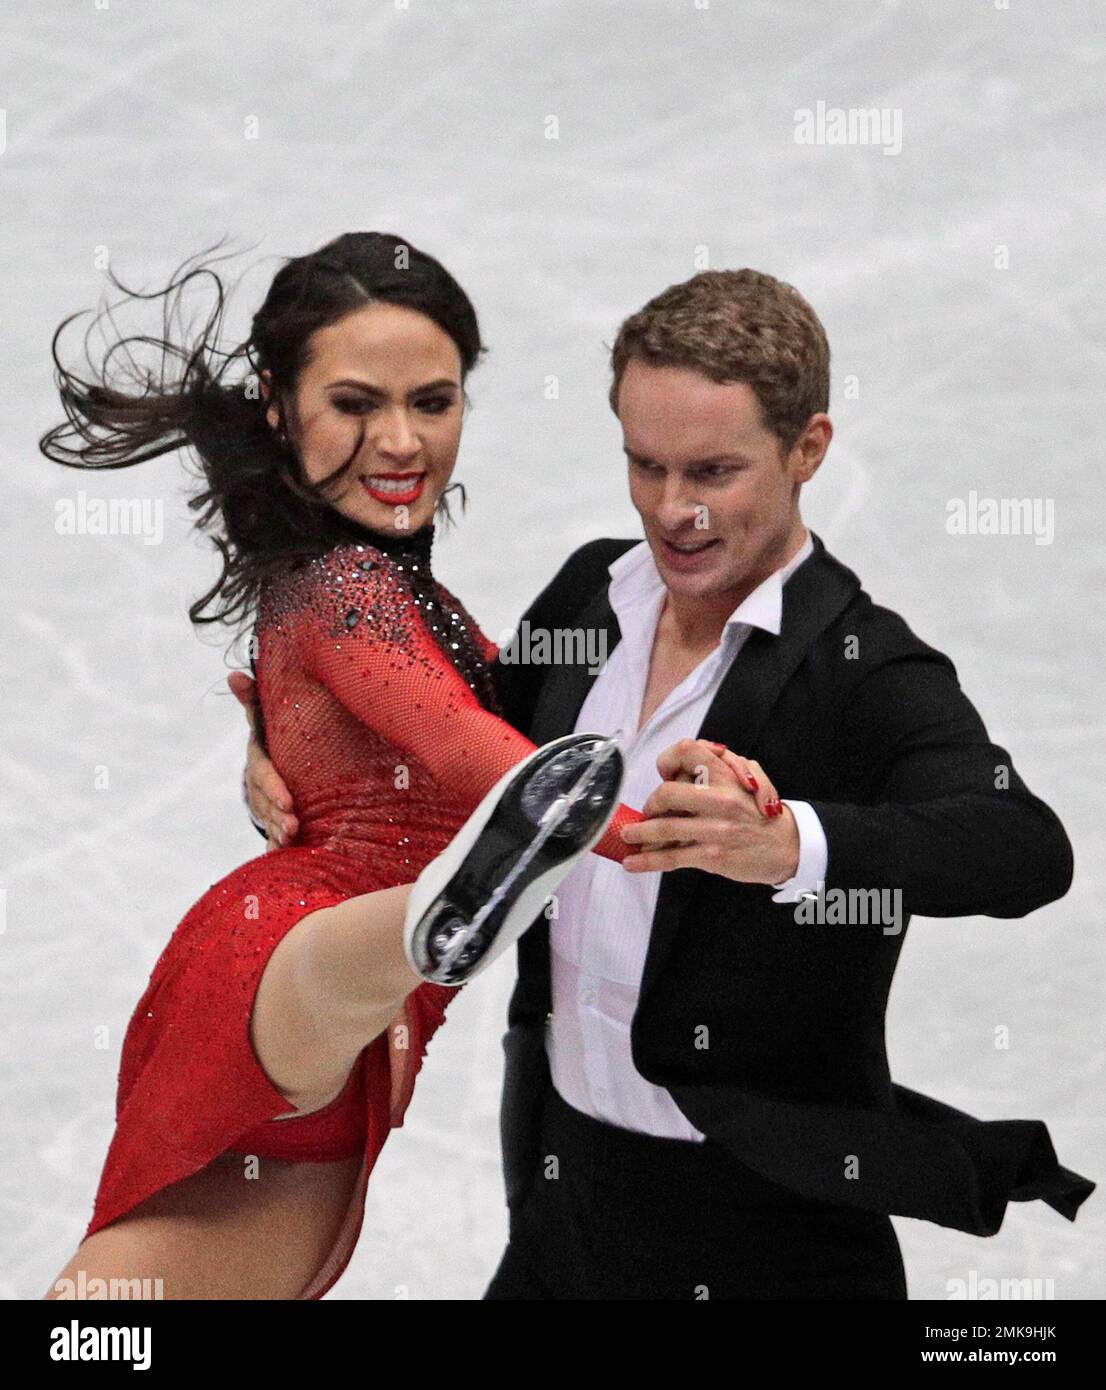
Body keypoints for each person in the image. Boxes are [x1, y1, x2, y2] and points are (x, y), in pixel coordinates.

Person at [247, 266, 1096, 1300]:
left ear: (807, 449)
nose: (672, 509)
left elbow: (1021, 845)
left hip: (768, 1228)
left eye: (713, 470)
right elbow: (464, 754)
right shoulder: (590, 593)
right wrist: (285, 738)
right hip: (564, 1188)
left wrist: (793, 847)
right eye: (643, 465)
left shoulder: (860, 669)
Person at [37, 231, 725, 1301]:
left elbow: (477, 715)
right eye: (355, 403)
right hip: (302, 946)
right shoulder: (343, 585)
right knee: (338, 962)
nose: (401, 441)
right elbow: (480, 755)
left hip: (371, 1022)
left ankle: (437, 916)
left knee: (150, 1301)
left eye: (433, 402)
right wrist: (658, 840)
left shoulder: (404, 599)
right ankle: (431, 915)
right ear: (279, 402)